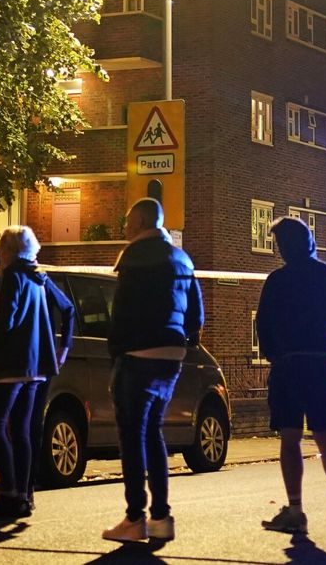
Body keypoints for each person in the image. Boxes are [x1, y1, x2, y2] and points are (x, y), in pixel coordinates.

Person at [101, 198, 204, 544]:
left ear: (143, 220)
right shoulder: (182, 258)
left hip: (137, 353)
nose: (124, 226)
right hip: (171, 353)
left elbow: (123, 311)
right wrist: (184, 341)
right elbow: (196, 313)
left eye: (129, 220)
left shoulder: (135, 257)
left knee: (131, 435)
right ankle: (161, 516)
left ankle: (135, 518)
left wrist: (115, 354)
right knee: (152, 432)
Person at [257, 217, 326, 537]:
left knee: (289, 438)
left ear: (284, 247)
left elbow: (264, 325)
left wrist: (275, 355)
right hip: (321, 362)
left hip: (289, 364)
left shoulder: (277, 281)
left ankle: (295, 509)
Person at [0, 225, 75, 521]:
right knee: (21, 428)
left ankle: (9, 491)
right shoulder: (39, 278)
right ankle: (24, 494)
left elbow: (4, 319)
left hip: (11, 363)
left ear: (7, 250)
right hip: (37, 367)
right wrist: (63, 348)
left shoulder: (12, 277)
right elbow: (68, 309)